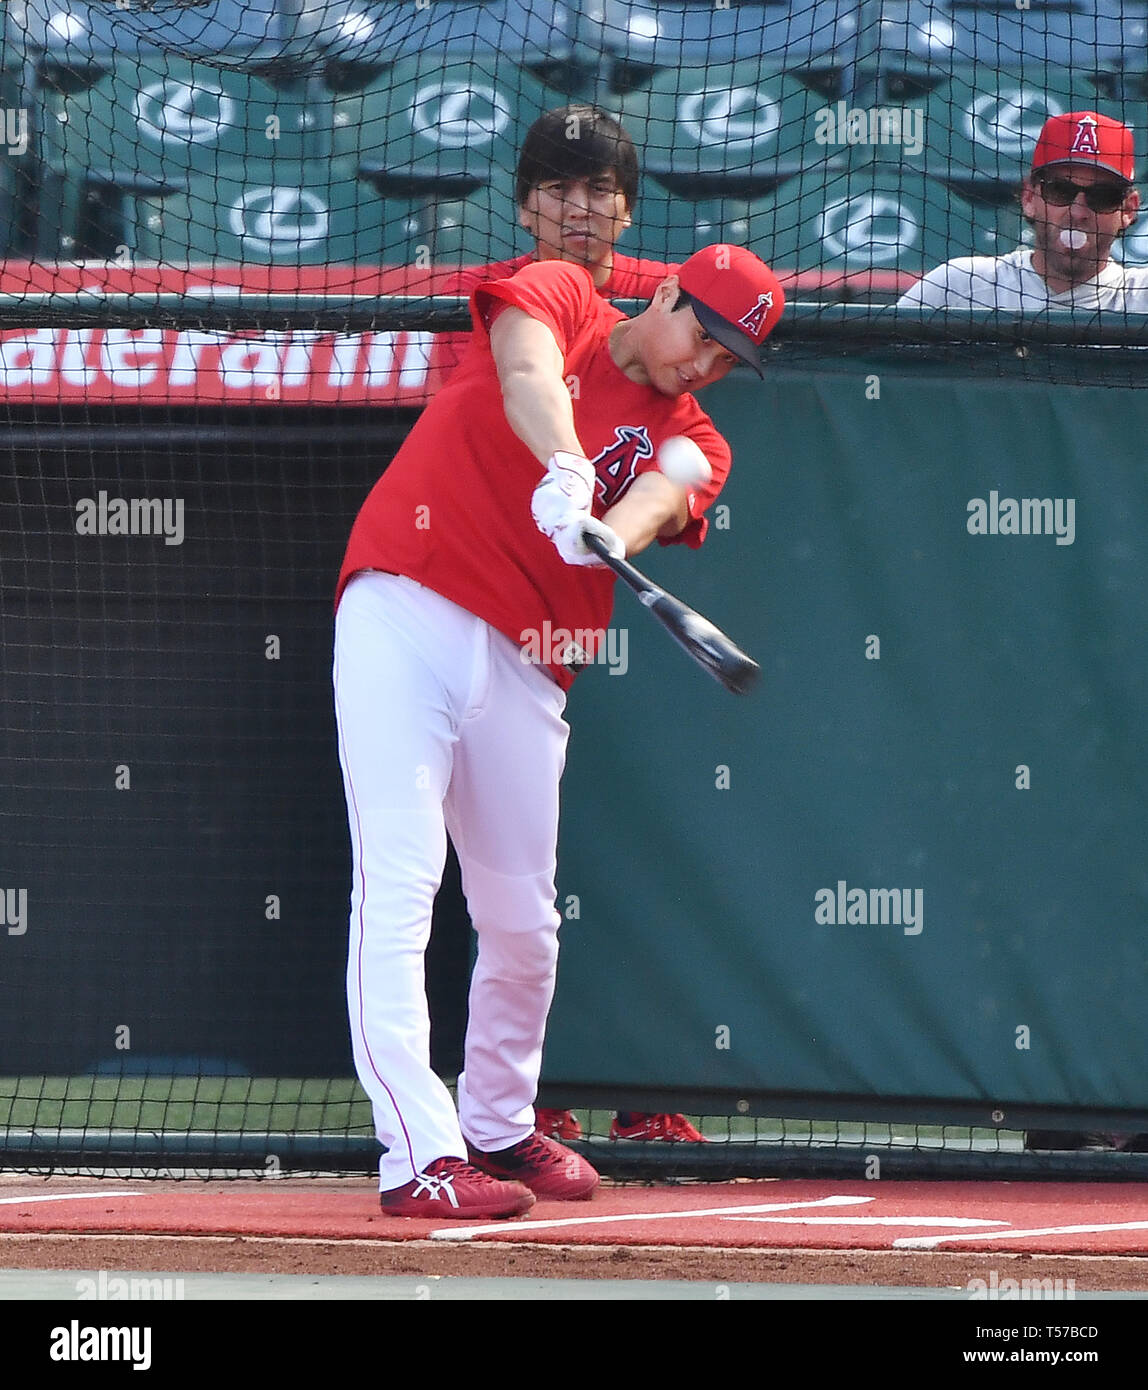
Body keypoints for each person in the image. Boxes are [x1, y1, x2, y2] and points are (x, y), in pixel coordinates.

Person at [332, 243, 785, 1217]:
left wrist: (613, 529)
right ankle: (417, 1153)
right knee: (403, 886)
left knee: (524, 925)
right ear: (663, 293)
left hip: (532, 660)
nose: (700, 366)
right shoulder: (565, 294)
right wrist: (567, 462)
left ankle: (497, 1120)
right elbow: (527, 367)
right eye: (699, 337)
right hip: (407, 601)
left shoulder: (697, 436)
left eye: (723, 362)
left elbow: (669, 486)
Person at [444, 103, 712, 1147]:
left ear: (628, 211)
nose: (579, 208)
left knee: (618, 858)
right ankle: (521, 1101)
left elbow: (679, 473)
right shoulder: (520, 302)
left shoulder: (656, 347)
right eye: (558, 186)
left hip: (583, 636)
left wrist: (613, 520)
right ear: (523, 205)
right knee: (498, 883)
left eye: (600, 191)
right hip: (480, 623)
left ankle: (640, 1085)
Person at [896, 112, 1148, 313]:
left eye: (1101, 196)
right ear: (1029, 198)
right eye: (1060, 190)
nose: (1078, 212)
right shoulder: (961, 286)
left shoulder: (1142, 297)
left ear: (1128, 209)